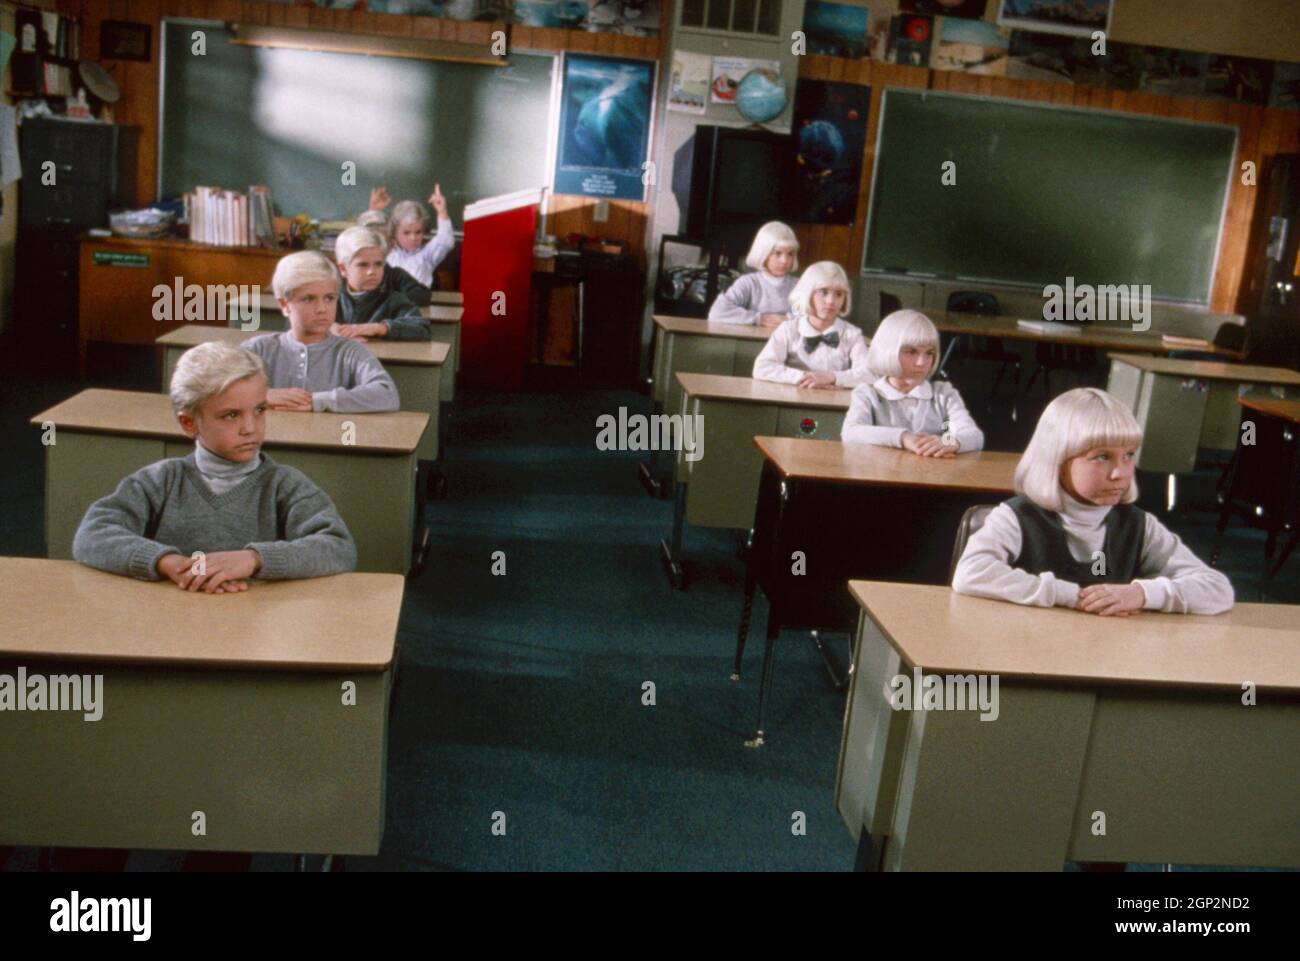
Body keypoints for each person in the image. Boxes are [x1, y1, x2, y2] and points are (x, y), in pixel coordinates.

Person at [72, 341, 357, 591]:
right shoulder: (160, 480)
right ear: (189, 423)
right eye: (231, 415)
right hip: (169, 625)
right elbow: (92, 535)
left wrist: (254, 560)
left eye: (259, 410)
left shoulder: (285, 484)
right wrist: (165, 562)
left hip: (260, 631)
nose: (250, 428)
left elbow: (338, 547)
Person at [952, 387, 1234, 615]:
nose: (1119, 473)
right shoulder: (1016, 518)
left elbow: (1218, 589)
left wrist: (1142, 594)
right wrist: (1071, 596)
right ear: (1058, 460)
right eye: (1102, 457)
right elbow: (970, 573)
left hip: (1106, 661)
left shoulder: (1138, 525)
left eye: (1128, 456)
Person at [841, 309, 982, 455]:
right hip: (881, 474)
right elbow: (851, 432)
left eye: (929, 353)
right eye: (911, 352)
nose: (921, 362)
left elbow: (974, 435)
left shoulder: (943, 395)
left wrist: (950, 441)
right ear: (887, 351)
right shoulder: (868, 394)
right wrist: (902, 437)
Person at [751, 260, 868, 388]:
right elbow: (762, 367)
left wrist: (831, 378)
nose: (831, 301)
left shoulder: (852, 334)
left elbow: (869, 374)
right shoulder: (788, 329)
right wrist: (806, 378)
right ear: (807, 294)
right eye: (823, 292)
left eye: (839, 294)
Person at [708, 221, 799, 327]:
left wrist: (788, 319)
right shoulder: (749, 283)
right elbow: (717, 312)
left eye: (790, 254)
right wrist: (760, 318)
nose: (784, 260)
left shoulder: (799, 285)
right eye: (777, 253)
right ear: (763, 253)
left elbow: (811, 317)